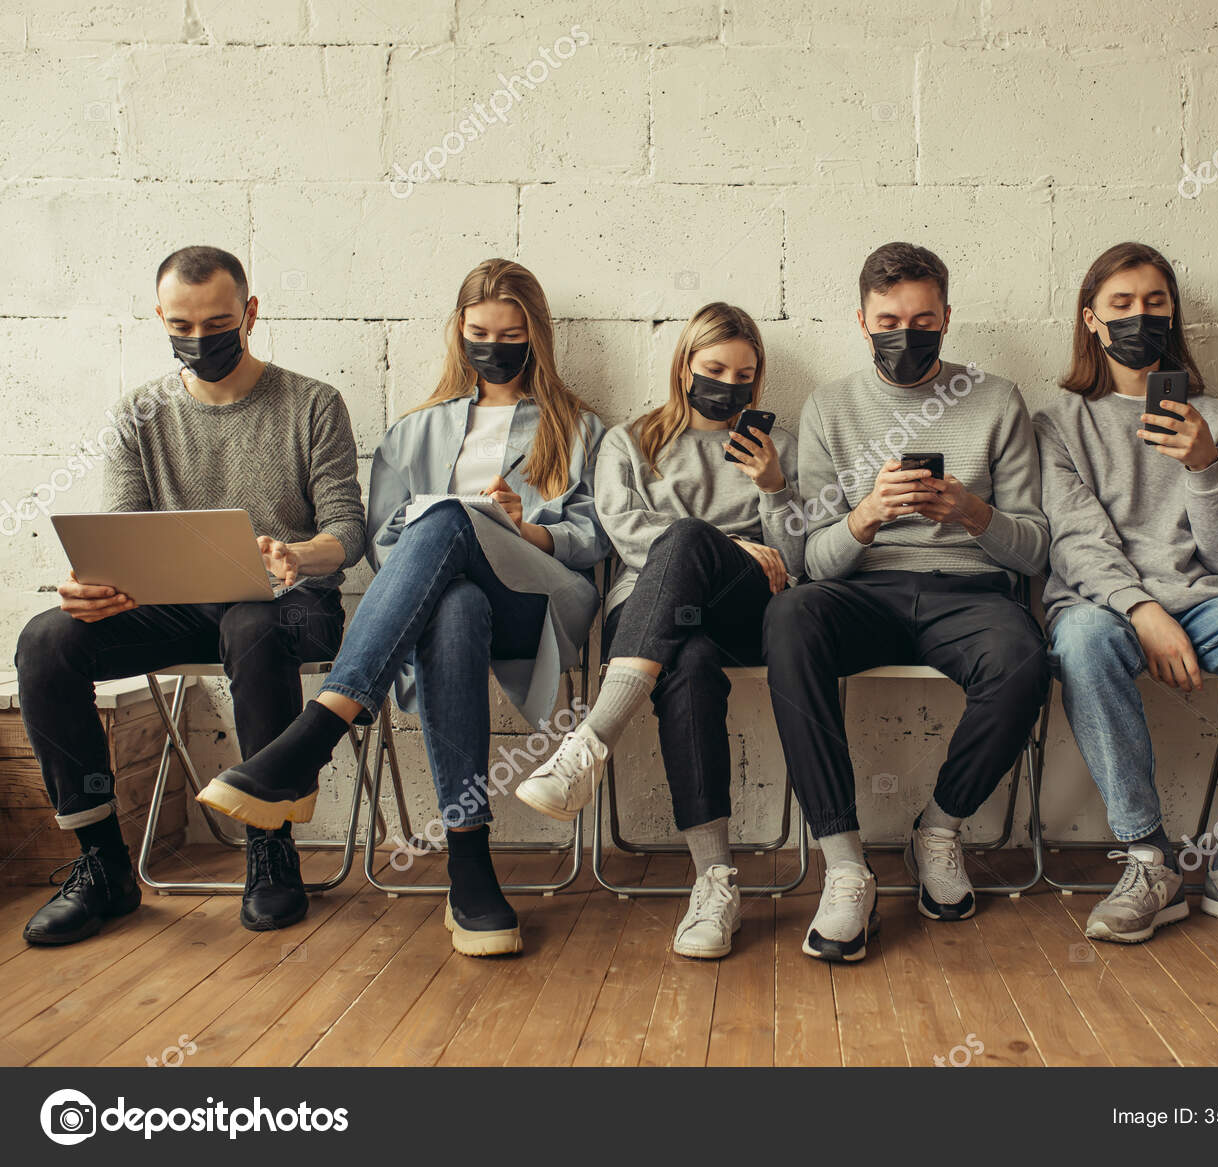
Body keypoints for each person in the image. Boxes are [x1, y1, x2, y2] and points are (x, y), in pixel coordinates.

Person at [193, 258, 608, 958]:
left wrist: (522, 527)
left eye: (511, 333)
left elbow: (598, 535)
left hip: (536, 600)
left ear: (536, 336)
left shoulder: (580, 427)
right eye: (479, 330)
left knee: (448, 521)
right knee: (453, 601)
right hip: (456, 605)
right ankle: (470, 866)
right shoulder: (416, 431)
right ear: (458, 331)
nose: (494, 345)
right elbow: (384, 546)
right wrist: (457, 527)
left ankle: (314, 736)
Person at [16, 245, 364, 945]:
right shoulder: (138, 415)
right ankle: (102, 862)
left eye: (217, 322)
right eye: (182, 325)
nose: (199, 340)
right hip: (178, 609)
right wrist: (92, 586)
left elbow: (347, 531)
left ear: (251, 314)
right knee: (46, 639)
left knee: (252, 621)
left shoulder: (313, 402)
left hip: (290, 605)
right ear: (159, 318)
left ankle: (269, 845)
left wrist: (297, 554)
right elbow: (121, 536)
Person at [761, 241, 1050, 963]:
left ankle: (940, 829)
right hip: (864, 592)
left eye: (923, 319)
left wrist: (972, 513)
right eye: (889, 319)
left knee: (1024, 656)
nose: (906, 334)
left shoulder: (997, 399)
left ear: (948, 317)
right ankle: (846, 862)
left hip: (971, 592)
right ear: (861, 321)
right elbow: (808, 561)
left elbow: (1037, 548)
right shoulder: (830, 406)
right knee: (789, 617)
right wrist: (864, 518)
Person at [1038, 241, 1218, 948]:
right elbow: (1075, 542)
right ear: (1092, 320)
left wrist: (1203, 465)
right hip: (1106, 606)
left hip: (1208, 602)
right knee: (1078, 638)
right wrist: (1141, 610)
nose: (1142, 316)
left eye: (1156, 303)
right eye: (1123, 304)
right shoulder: (1058, 421)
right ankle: (1148, 859)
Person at [517, 302, 803, 960]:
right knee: (690, 658)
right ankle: (716, 881)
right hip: (650, 610)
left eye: (744, 374)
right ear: (683, 368)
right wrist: (721, 540)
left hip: (744, 603)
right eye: (713, 369)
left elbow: (796, 554)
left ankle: (587, 747)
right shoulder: (631, 441)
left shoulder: (777, 448)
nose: (729, 384)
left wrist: (775, 488)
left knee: (687, 547)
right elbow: (626, 535)